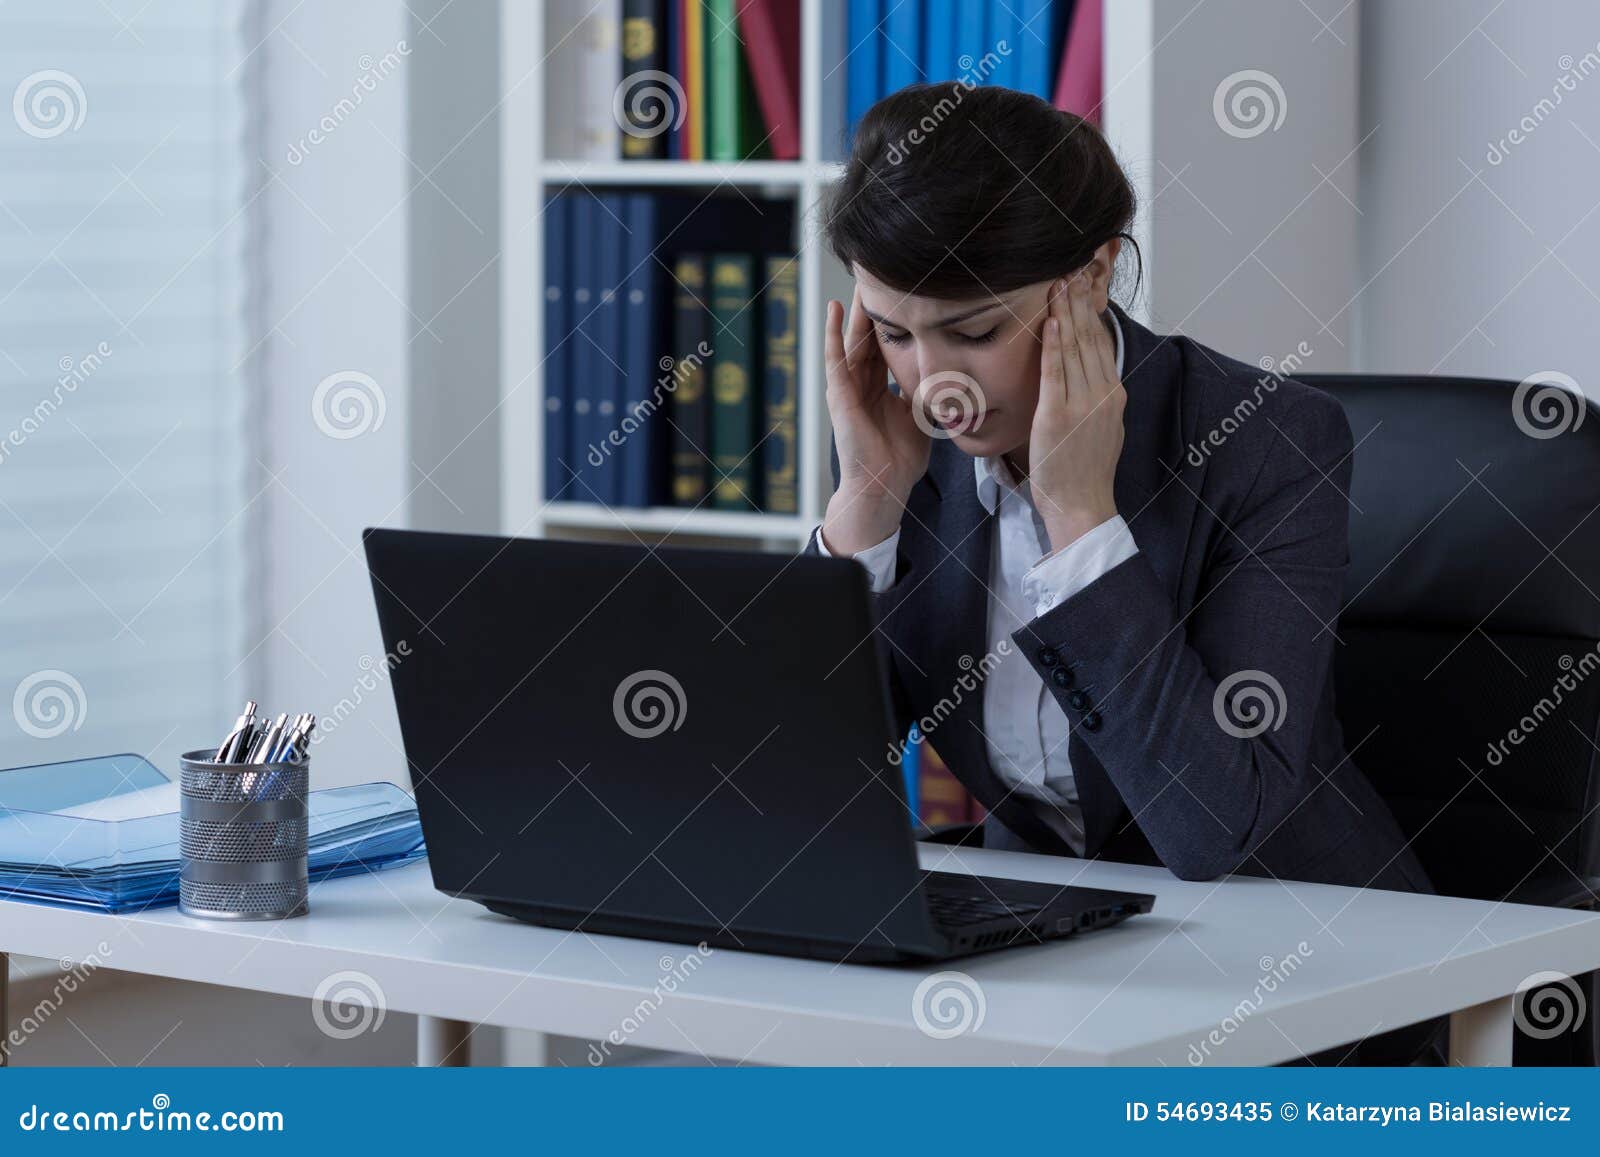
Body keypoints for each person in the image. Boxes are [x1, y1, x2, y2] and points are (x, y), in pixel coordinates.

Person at [810, 82, 1443, 1065]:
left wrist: (1079, 520)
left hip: (1304, 968)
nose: (933, 384)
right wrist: (863, 508)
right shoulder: (895, 446)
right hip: (1047, 970)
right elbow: (790, 799)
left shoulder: (1268, 443)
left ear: (1094, 274)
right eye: (894, 333)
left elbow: (1212, 830)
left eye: (973, 333)